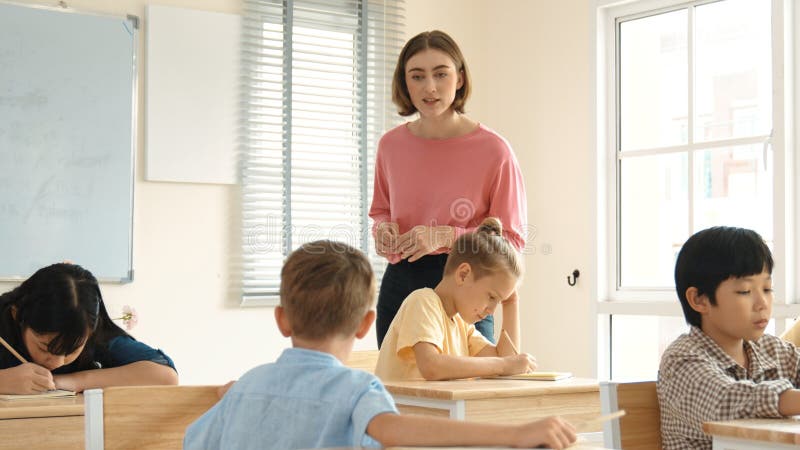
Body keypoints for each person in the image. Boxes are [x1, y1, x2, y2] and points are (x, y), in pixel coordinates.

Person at [184, 240, 575, 450]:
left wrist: (242, 396)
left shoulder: (248, 387)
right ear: (365, 325)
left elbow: (192, 440)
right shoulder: (357, 391)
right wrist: (513, 435)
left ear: (281, 319)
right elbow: (397, 431)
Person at [370, 29, 527, 347]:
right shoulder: (390, 146)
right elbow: (381, 210)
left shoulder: (495, 151)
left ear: (459, 78)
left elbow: (510, 242)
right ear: (404, 83)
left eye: (440, 74)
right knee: (398, 389)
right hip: (399, 282)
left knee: (469, 386)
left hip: (468, 283)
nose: (429, 87)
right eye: (417, 76)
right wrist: (382, 230)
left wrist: (445, 236)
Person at [658, 227, 800, 450]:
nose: (762, 303)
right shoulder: (680, 360)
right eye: (745, 291)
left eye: (767, 288)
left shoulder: (773, 350)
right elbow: (727, 402)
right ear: (699, 300)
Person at [375, 218, 535, 381]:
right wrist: (504, 365)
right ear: (463, 274)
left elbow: (505, 361)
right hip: (400, 407)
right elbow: (431, 366)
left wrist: (510, 302)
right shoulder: (423, 302)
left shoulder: (463, 326)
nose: (492, 310)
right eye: (492, 297)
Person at [0, 263, 177, 394]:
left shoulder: (86, 328)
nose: (57, 363)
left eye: (72, 350)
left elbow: (165, 377)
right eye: (45, 347)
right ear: (17, 316)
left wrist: (76, 381)